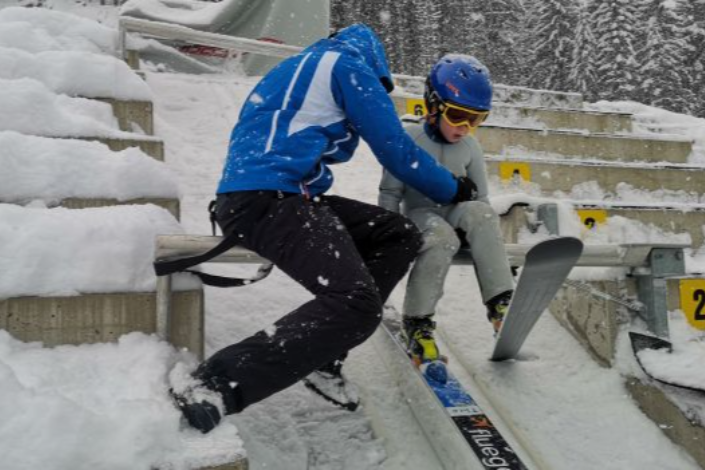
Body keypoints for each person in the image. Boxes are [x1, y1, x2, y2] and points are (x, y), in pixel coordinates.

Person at [171, 24, 480, 433]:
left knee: (397, 233)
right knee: (357, 304)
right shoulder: (349, 67)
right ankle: (213, 385)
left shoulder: (303, 65)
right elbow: (396, 150)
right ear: (378, 67)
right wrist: (454, 188)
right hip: (269, 199)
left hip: (277, 195)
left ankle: (326, 356)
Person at [378, 54, 514, 365]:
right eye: (457, 115)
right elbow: (390, 191)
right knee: (441, 236)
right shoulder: (409, 138)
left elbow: (481, 200)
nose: (465, 128)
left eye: (475, 119)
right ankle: (418, 322)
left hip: (454, 213)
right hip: (419, 215)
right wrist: (387, 232)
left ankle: (500, 302)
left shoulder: (471, 148)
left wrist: (484, 239)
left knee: (482, 214)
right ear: (433, 105)